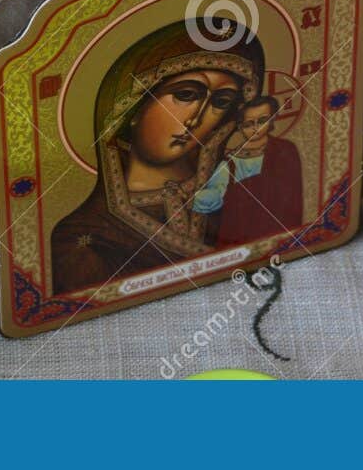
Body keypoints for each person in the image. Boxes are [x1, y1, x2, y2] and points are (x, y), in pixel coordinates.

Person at [49, 20, 261, 294]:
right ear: (133, 106)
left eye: (221, 102)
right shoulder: (82, 237)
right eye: (186, 94)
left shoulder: (238, 194)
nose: (196, 119)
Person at [193, 94, 304, 245]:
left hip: (275, 226)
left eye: (262, 120)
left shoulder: (284, 149)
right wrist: (202, 197)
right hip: (239, 230)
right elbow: (217, 192)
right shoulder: (230, 161)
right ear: (240, 127)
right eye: (248, 124)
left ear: (272, 119)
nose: (256, 128)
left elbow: (290, 192)